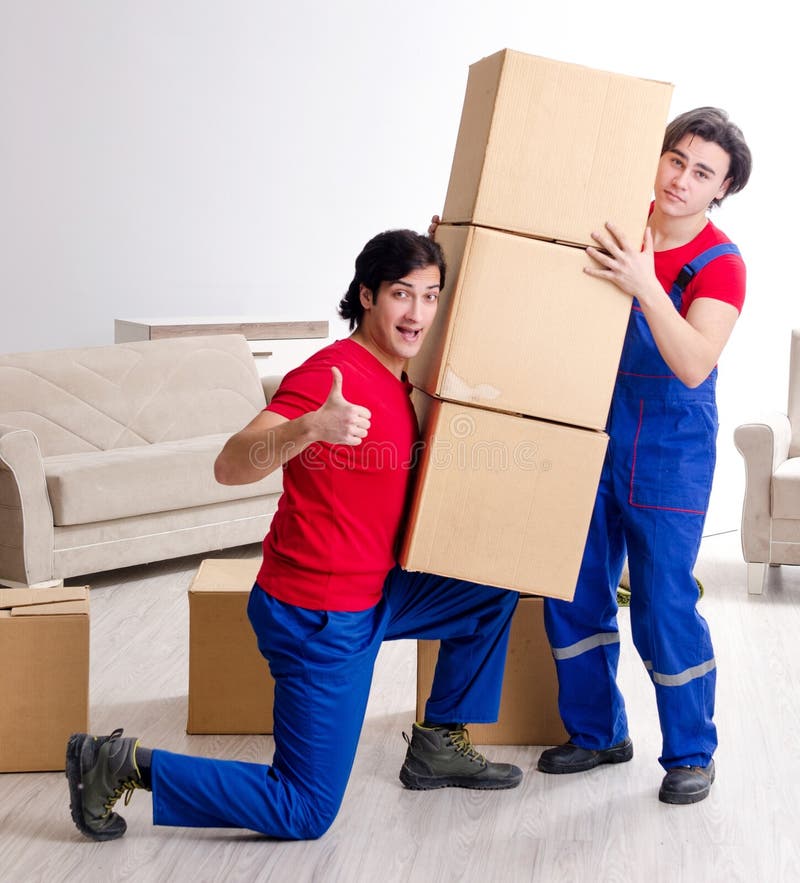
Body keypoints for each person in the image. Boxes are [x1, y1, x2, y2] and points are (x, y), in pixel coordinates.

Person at [66, 228, 521, 843]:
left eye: (431, 295)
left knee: (491, 591)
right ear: (367, 296)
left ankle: (439, 742)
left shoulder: (402, 377)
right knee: (304, 811)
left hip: (379, 591)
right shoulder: (328, 375)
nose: (417, 312)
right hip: (320, 615)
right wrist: (309, 426)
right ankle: (118, 765)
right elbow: (230, 464)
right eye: (401, 294)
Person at [536, 107, 753, 804]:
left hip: (668, 445)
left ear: (720, 190)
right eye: (675, 160)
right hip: (588, 429)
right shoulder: (612, 226)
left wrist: (645, 282)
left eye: (701, 173)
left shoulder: (721, 264)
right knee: (571, 590)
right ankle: (598, 733)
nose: (681, 180)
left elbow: (693, 362)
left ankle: (691, 751)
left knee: (662, 601)